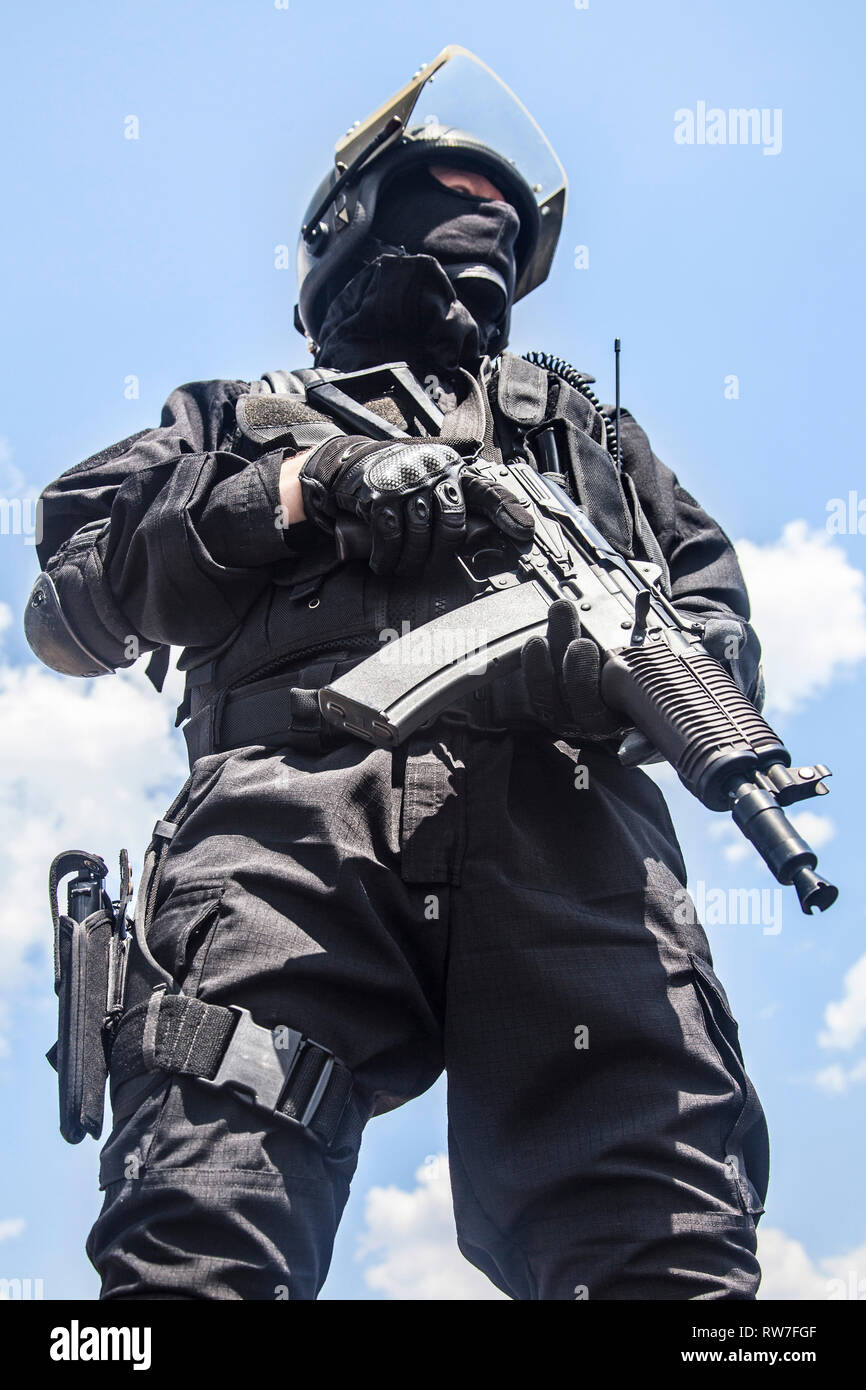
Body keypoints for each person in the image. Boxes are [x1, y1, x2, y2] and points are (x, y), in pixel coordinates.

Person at [26, 47, 769, 1300]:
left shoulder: (589, 440)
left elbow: (712, 617)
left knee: (664, 1248)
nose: (475, 248)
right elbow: (72, 608)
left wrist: (613, 667)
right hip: (287, 824)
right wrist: (300, 491)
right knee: (200, 1231)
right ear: (352, 231)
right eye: (451, 198)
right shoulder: (232, 414)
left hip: (572, 835)